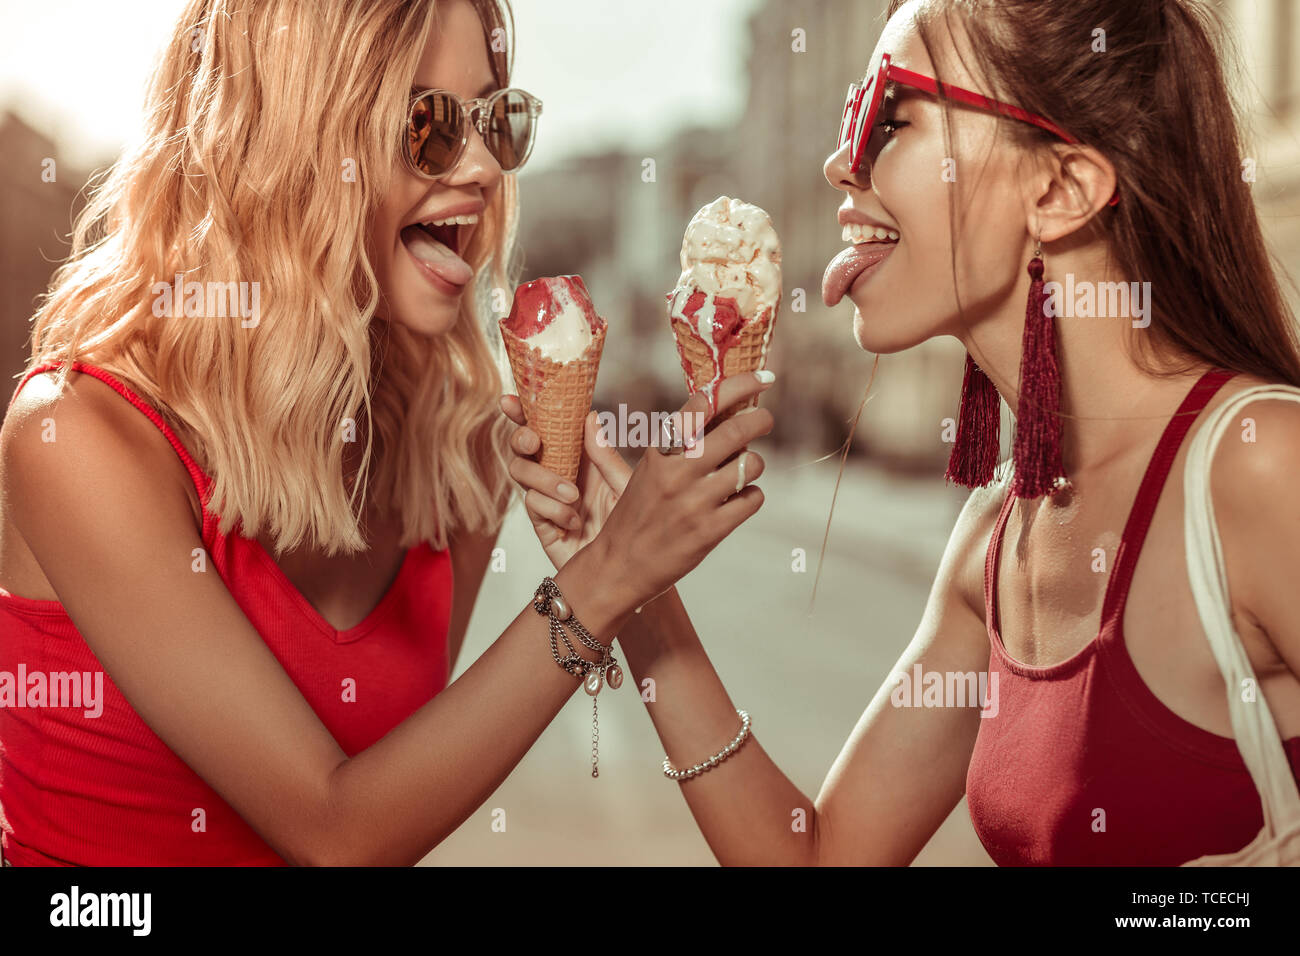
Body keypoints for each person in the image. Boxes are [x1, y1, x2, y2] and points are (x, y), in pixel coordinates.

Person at [502, 0, 1300, 865]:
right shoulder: (996, 539)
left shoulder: (1261, 469)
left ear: (1061, 187)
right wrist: (633, 586)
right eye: (853, 114)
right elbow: (822, 857)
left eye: (891, 113)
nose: (840, 163)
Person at [0, 0, 771, 866]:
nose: (483, 167)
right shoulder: (76, 434)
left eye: (495, 119)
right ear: (289, 139)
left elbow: (401, 808)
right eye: (430, 122)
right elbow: (334, 833)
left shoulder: (461, 452)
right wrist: (607, 578)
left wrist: (627, 581)